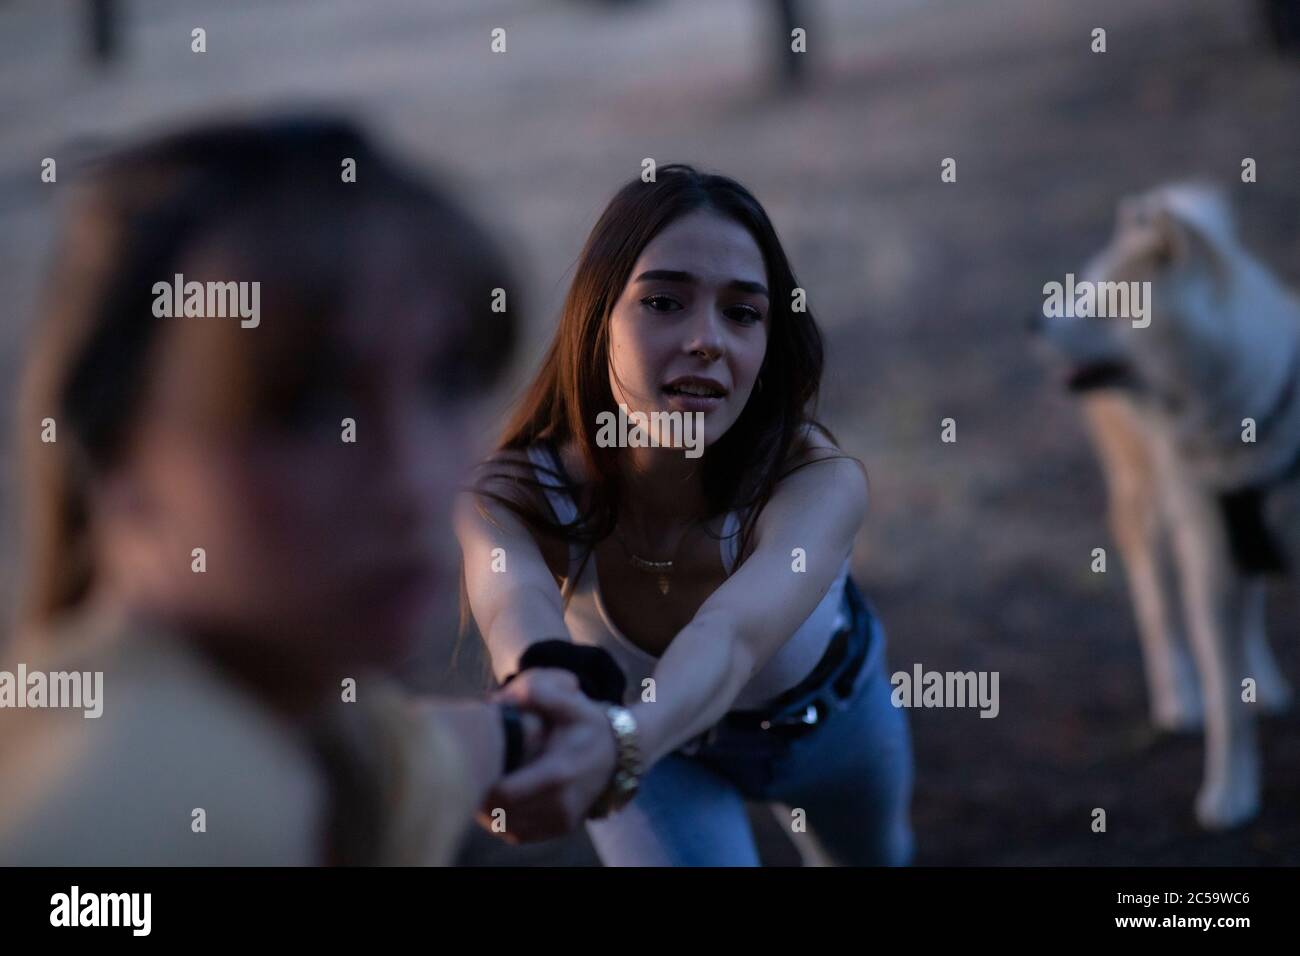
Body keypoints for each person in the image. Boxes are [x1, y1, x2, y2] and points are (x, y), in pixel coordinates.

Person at [0, 115, 564, 865]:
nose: (413, 479)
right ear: (115, 457)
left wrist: (550, 732)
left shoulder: (302, 708)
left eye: (446, 381)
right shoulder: (131, 800)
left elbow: (414, 756)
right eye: (310, 407)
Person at [458, 165, 915, 865]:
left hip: (835, 729)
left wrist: (615, 746)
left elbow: (729, 639)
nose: (708, 340)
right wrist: (545, 707)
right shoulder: (513, 495)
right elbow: (517, 612)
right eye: (665, 302)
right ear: (596, 318)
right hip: (658, 762)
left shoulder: (816, 480)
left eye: (742, 313)